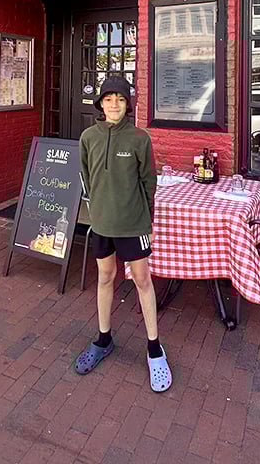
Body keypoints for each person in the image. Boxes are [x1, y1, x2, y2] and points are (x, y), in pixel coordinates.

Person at [74, 75, 172, 392]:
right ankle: (104, 339)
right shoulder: (88, 137)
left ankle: (155, 348)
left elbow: (149, 183)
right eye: (108, 98)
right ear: (100, 104)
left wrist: (150, 223)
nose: (114, 104)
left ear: (127, 104)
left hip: (133, 224)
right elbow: (88, 178)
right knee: (105, 276)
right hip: (102, 223)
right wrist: (98, 211)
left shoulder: (139, 139)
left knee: (142, 280)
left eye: (120, 98)